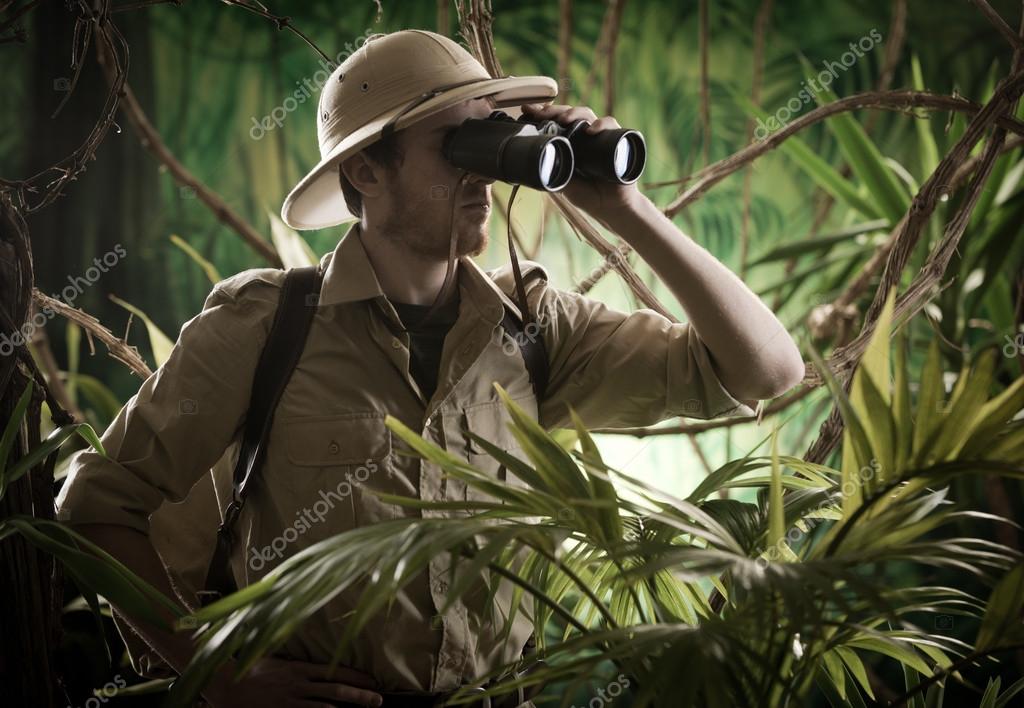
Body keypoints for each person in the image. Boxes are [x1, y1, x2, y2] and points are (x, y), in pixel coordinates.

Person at [56, 29, 805, 708]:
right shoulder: (265, 328)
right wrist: (215, 674)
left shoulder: (536, 330)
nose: (482, 174)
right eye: (457, 144)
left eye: (491, 140)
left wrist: (623, 209)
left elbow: (766, 372)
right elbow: (97, 503)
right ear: (366, 171)